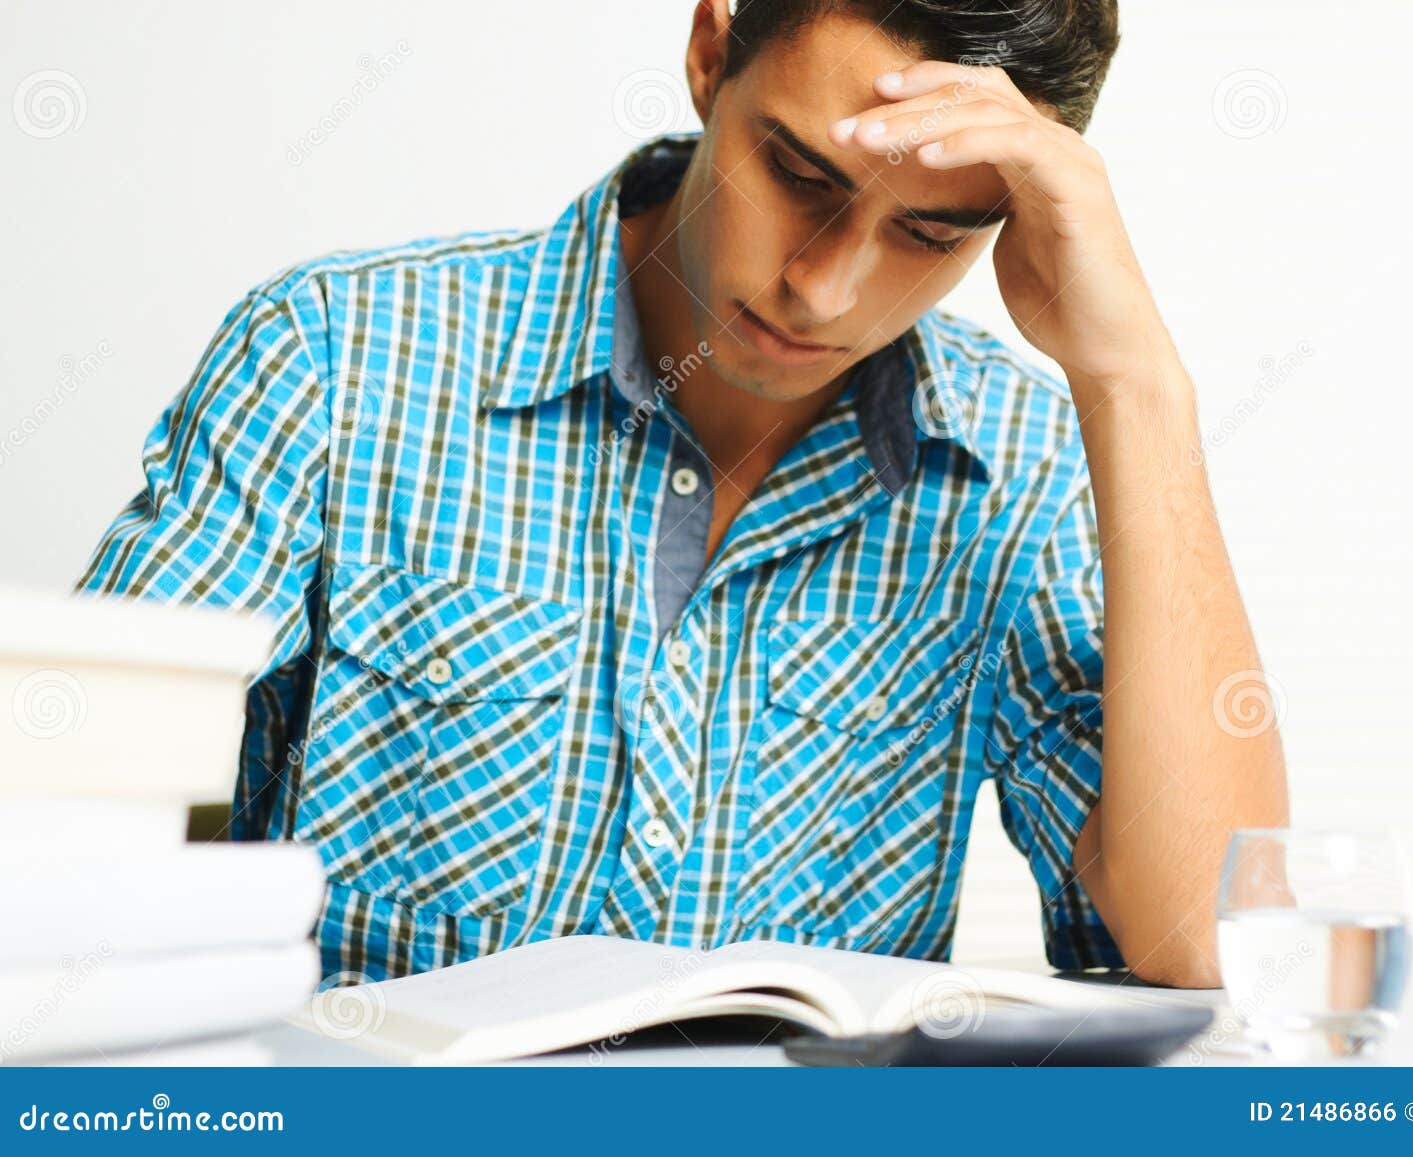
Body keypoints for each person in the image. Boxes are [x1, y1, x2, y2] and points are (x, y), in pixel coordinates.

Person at [77, 0, 1287, 988]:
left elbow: (1206, 942)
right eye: (799, 174)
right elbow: (69, 829)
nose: (825, 287)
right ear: (712, 52)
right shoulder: (337, 358)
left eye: (928, 235)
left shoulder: (1019, 470)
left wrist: (1135, 385)